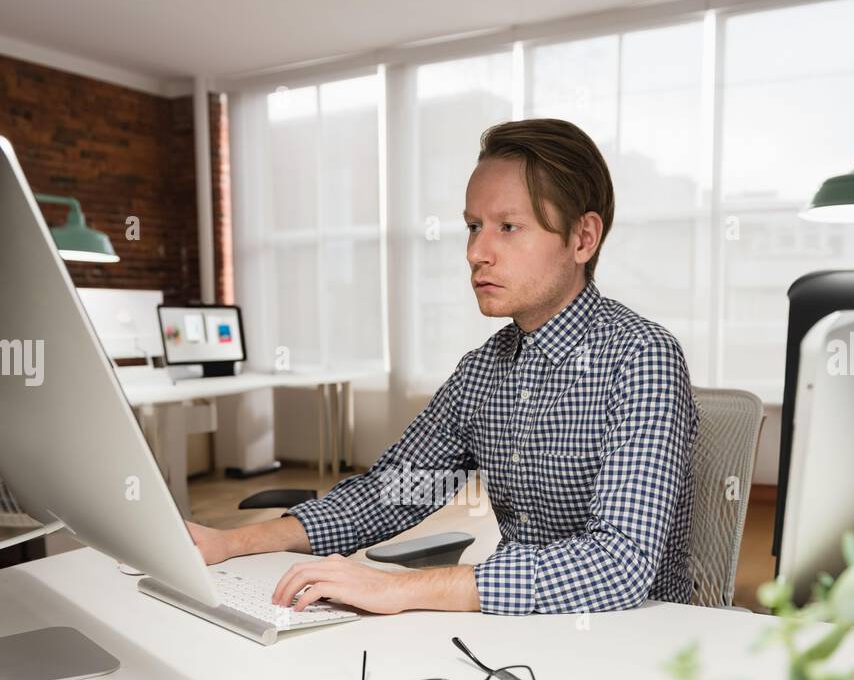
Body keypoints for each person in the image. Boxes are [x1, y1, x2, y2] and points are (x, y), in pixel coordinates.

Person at [188, 118, 698, 616]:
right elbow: (393, 492)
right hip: (524, 629)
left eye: (508, 227)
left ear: (583, 238)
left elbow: (618, 563)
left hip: (635, 636)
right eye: (474, 227)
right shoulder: (482, 371)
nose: (476, 252)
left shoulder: (642, 356)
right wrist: (231, 542)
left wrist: (400, 588)